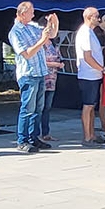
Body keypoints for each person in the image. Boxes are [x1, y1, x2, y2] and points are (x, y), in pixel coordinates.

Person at [7, 1, 59, 154]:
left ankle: (34, 137)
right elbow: (27, 53)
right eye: (31, 12)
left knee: (38, 108)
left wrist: (53, 23)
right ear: (22, 14)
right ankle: (22, 140)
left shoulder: (32, 27)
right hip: (28, 74)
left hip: (40, 72)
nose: (34, 15)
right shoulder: (15, 32)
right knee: (27, 108)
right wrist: (42, 41)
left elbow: (51, 34)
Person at [73, 7, 105, 145]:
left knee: (92, 106)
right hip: (88, 75)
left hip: (94, 75)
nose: (99, 19)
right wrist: (102, 69)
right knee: (88, 106)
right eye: (96, 16)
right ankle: (87, 137)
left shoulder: (91, 32)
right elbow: (87, 56)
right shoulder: (84, 33)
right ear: (89, 17)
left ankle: (91, 134)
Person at [40, 16, 63, 144]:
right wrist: (56, 65)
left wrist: (61, 63)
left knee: (47, 107)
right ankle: (36, 133)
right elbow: (42, 61)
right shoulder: (41, 44)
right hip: (43, 78)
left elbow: (58, 57)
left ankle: (46, 133)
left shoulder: (53, 43)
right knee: (40, 107)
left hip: (52, 80)